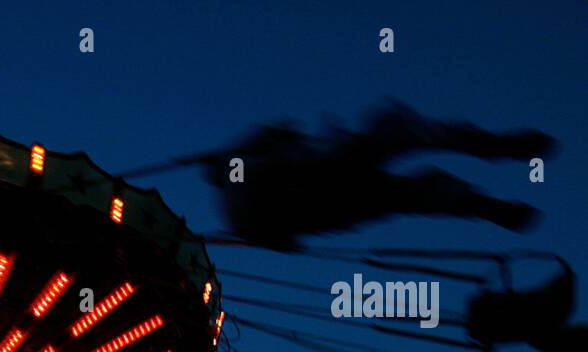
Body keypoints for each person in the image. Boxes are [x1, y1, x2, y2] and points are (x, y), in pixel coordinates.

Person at [202, 102, 551, 250]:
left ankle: (486, 200)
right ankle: (491, 159)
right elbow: (276, 135)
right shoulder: (239, 176)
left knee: (411, 190)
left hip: (331, 200)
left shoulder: (238, 204)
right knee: (400, 138)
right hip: (327, 177)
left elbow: (283, 242)